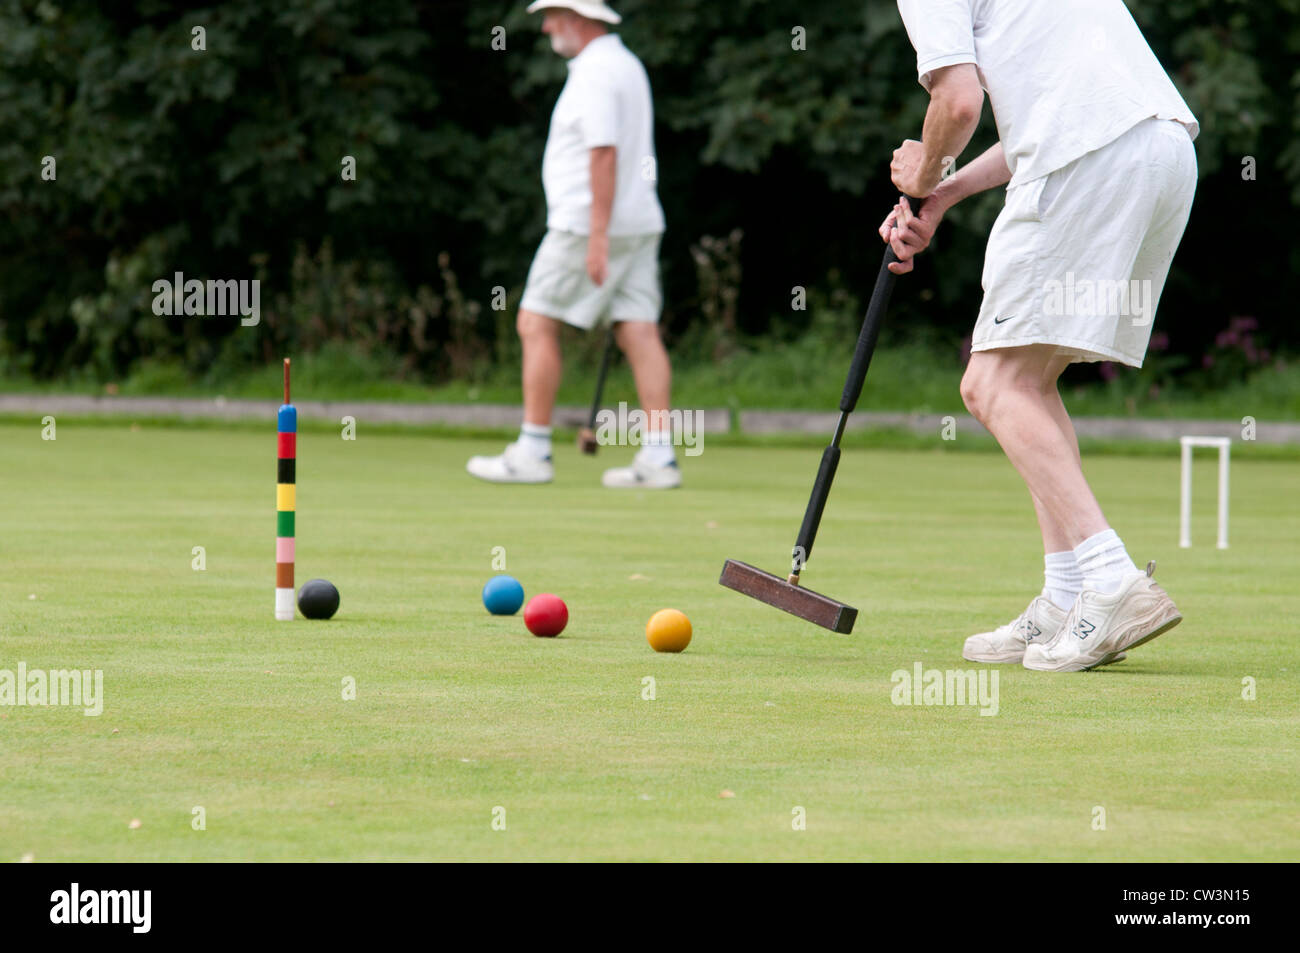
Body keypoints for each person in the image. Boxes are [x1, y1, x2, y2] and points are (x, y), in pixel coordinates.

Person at [884, 0, 1198, 671]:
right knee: (1027, 381)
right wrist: (945, 194)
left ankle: (1112, 580)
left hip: (1090, 161)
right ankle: (1068, 595)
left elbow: (959, 102)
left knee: (988, 382)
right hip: (1160, 153)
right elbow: (1051, 116)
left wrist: (923, 172)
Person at [467, 0, 680, 489]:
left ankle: (533, 449)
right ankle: (659, 457)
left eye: (552, 16)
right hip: (640, 219)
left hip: (586, 224)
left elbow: (602, 153)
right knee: (638, 330)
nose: (545, 26)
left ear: (578, 18)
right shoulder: (625, 62)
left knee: (535, 320)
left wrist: (598, 235)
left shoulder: (595, 72)